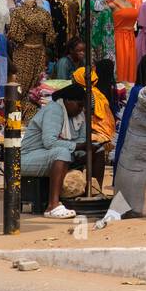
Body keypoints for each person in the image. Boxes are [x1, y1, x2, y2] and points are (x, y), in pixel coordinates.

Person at [19, 84, 87, 219]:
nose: (81, 109)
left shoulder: (79, 116)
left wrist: (88, 148)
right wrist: (79, 147)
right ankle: (53, 206)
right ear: (67, 101)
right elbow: (50, 142)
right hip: (28, 157)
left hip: (48, 155)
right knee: (62, 152)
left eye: (82, 106)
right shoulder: (54, 110)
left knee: (97, 152)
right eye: (79, 105)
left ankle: (88, 197)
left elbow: (82, 139)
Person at [6, 0, 56, 121]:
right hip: (40, 53)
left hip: (23, 51)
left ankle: (16, 115)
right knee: (36, 85)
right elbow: (50, 38)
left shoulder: (17, 13)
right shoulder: (44, 14)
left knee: (20, 84)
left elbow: (15, 35)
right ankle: (30, 114)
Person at [110, 0, 140, 85]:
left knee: (130, 62)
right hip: (119, 37)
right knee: (121, 61)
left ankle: (128, 85)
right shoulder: (112, 5)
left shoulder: (130, 3)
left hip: (131, 37)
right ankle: (119, 86)